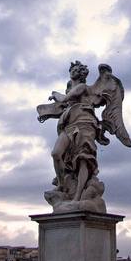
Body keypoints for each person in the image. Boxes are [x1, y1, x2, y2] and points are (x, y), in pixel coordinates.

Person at [45, 60, 101, 202]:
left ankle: (78, 197)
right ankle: (62, 185)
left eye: (78, 69)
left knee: (83, 159)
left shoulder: (82, 87)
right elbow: (63, 105)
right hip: (70, 125)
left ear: (82, 74)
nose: (75, 71)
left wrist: (55, 94)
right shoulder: (71, 88)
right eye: (73, 69)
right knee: (56, 153)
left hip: (85, 124)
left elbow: (64, 99)